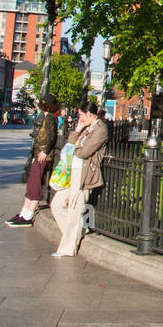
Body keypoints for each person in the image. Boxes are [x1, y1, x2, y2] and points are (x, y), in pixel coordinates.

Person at [51, 101, 108, 257]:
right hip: (72, 172)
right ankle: (79, 230)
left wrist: (72, 148)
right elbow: (71, 143)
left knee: (75, 210)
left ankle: (67, 248)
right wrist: (77, 130)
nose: (80, 119)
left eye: (81, 115)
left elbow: (85, 152)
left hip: (84, 174)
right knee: (57, 204)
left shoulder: (100, 129)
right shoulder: (86, 128)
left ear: (89, 114)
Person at [6, 94, 60, 227]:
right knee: (32, 183)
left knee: (36, 183)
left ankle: (28, 215)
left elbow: (51, 136)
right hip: (38, 153)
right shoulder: (46, 115)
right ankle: (23, 213)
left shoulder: (51, 118)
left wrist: (45, 151)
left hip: (43, 155)